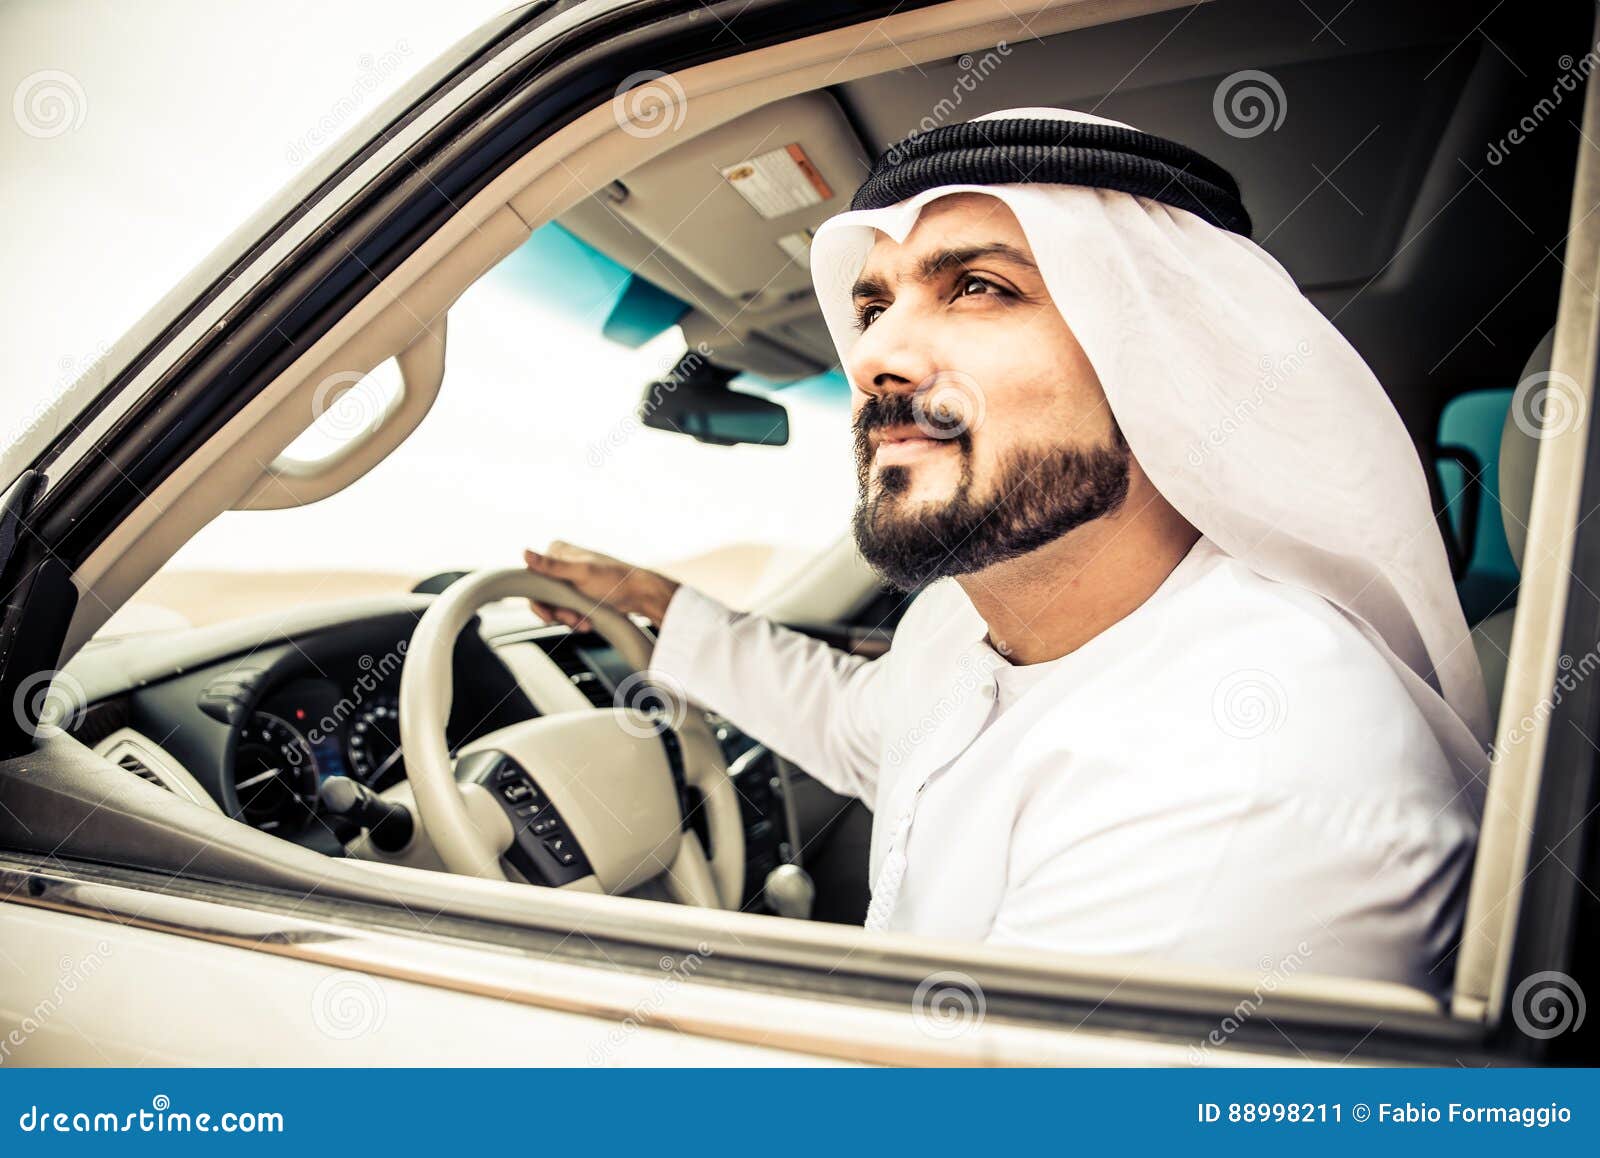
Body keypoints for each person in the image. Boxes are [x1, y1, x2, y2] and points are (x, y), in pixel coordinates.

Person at [523, 107, 1490, 997]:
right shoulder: (965, 616)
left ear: (1153, 359)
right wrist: (662, 606)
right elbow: (869, 727)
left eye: (979, 288)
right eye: (872, 308)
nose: (869, 359)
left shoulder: (1245, 768)